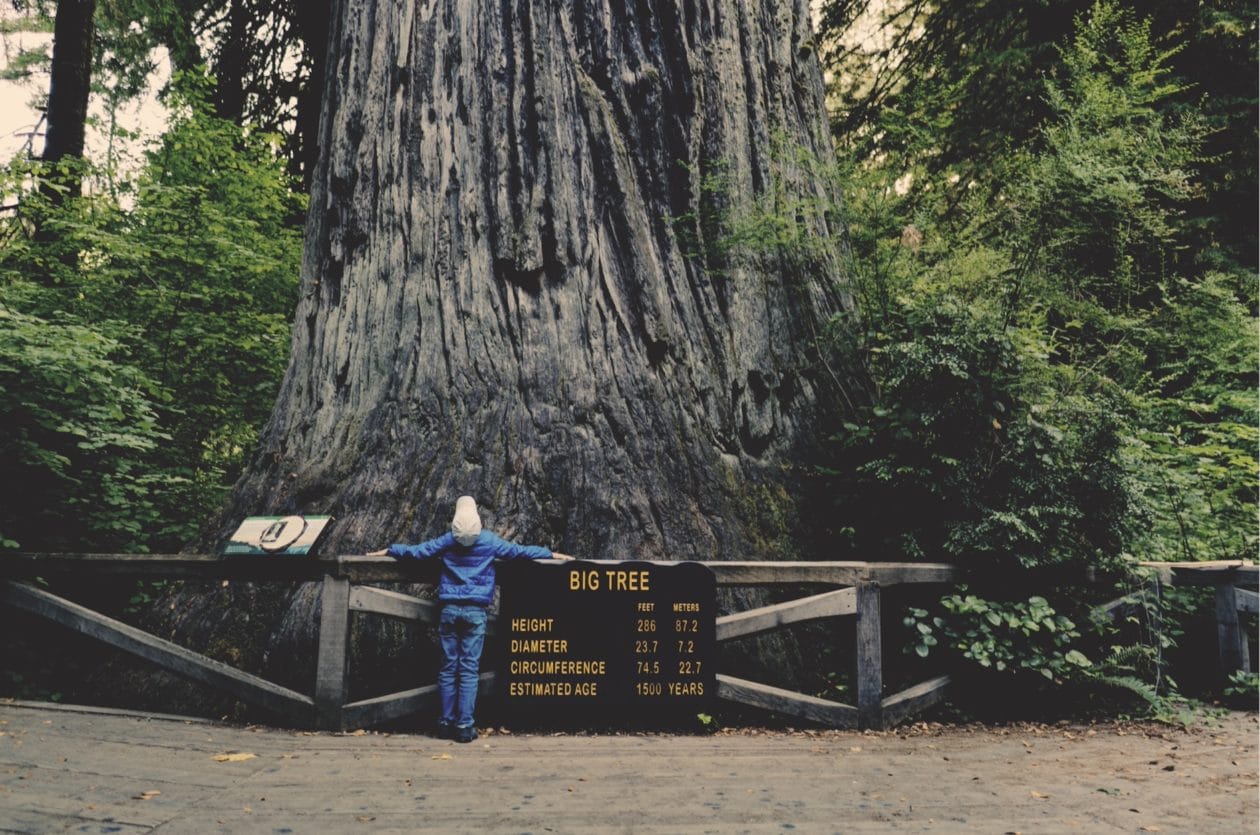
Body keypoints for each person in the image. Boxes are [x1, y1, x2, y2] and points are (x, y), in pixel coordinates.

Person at [369, 496, 571, 742]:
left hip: (449, 612)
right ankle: (464, 727)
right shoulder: (488, 541)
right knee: (468, 670)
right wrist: (550, 553)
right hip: (475, 613)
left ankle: (444, 724)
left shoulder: (448, 541)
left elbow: (418, 552)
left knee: (448, 668)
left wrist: (391, 549)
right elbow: (519, 553)